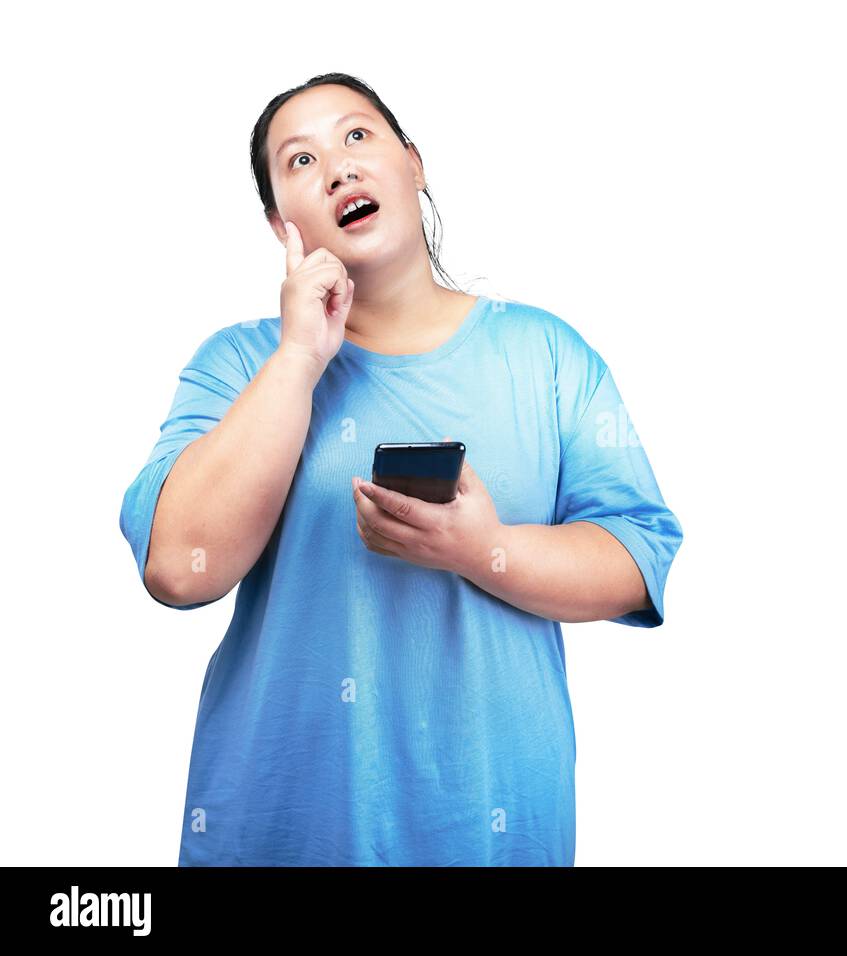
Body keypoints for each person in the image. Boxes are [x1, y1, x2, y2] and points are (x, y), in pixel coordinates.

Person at [118, 73, 683, 866]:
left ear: (413, 164)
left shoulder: (547, 354)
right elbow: (179, 568)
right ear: (281, 222)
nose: (340, 169)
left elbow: (640, 558)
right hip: (281, 834)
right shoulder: (239, 365)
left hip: (491, 833)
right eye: (301, 160)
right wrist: (298, 358)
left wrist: (481, 549)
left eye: (357, 137)